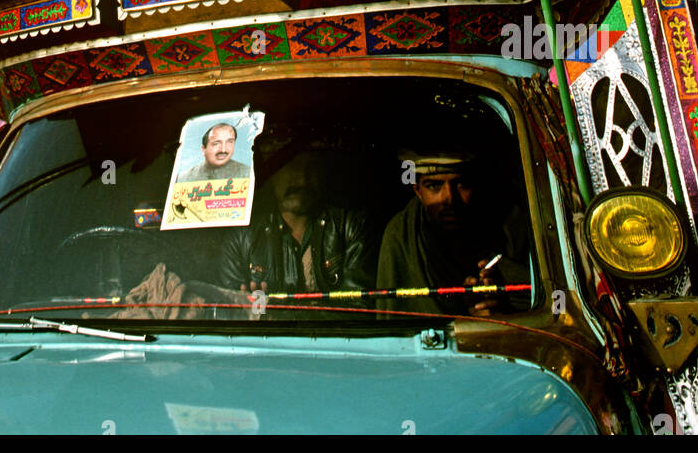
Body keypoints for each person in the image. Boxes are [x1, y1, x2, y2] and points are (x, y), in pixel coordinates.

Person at [376, 148, 531, 317]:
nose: (449, 198)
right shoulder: (403, 235)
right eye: (434, 186)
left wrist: (500, 307)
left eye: (461, 184)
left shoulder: (511, 227)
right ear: (418, 191)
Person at [219, 150, 376, 301]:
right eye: (291, 167)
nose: (302, 180)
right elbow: (235, 313)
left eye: (310, 167)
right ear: (272, 174)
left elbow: (357, 311)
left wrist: (273, 314)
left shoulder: (350, 226)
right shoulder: (240, 238)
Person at [179, 123, 250, 181]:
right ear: (203, 149)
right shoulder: (183, 178)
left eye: (230, 142)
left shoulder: (248, 173)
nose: (223, 150)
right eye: (216, 143)